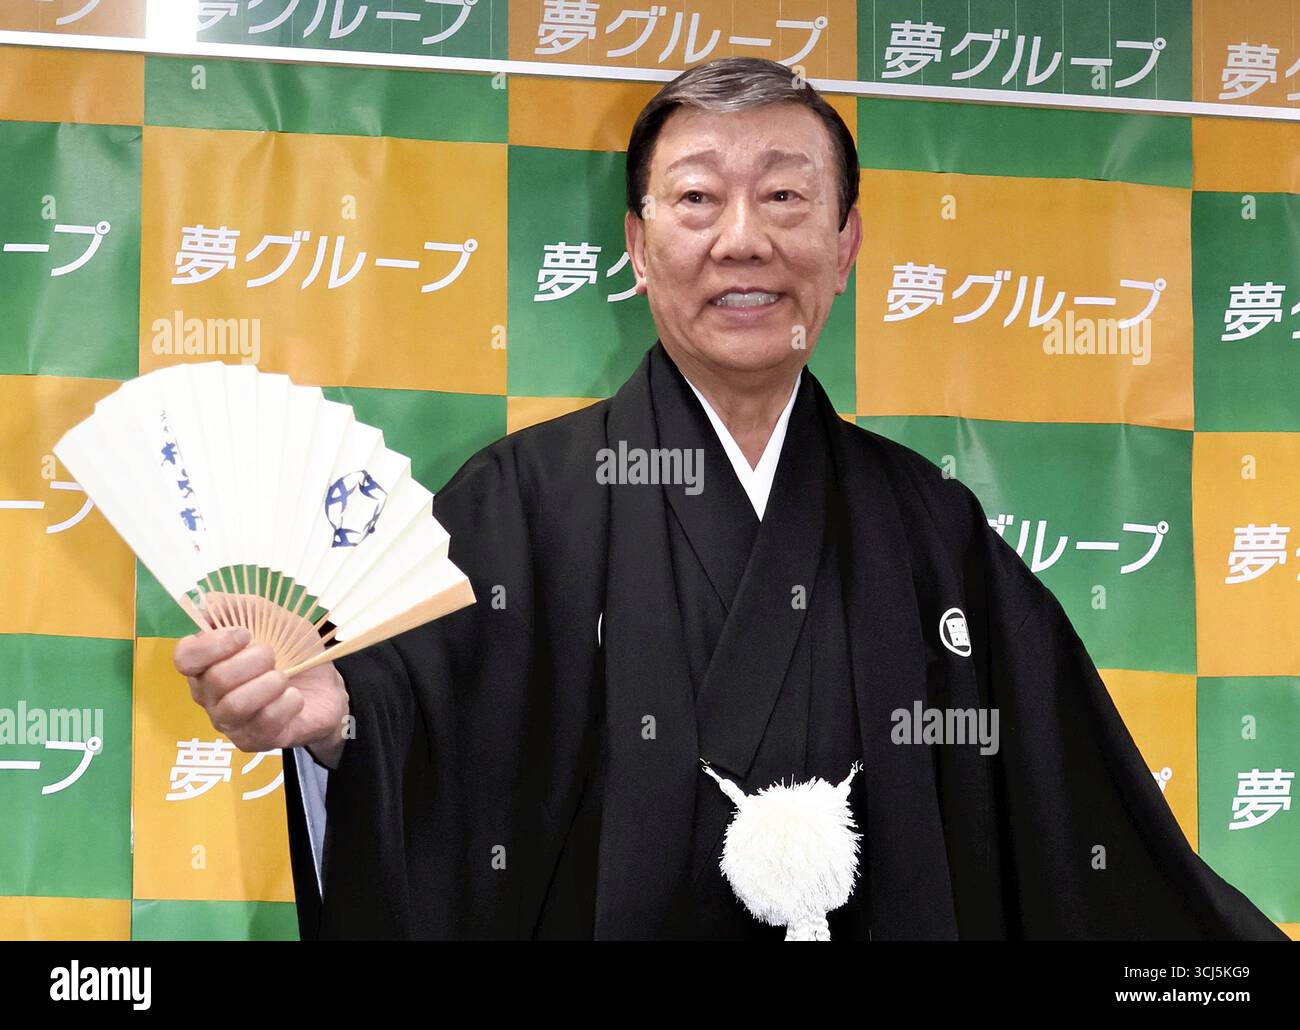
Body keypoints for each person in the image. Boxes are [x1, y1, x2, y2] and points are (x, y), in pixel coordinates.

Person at [174, 57, 1287, 941]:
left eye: (786, 196)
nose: (743, 238)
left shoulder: (929, 527)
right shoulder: (523, 501)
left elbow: (1072, 808)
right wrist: (341, 725)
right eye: (698, 198)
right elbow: (429, 735)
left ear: (846, 244)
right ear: (638, 245)